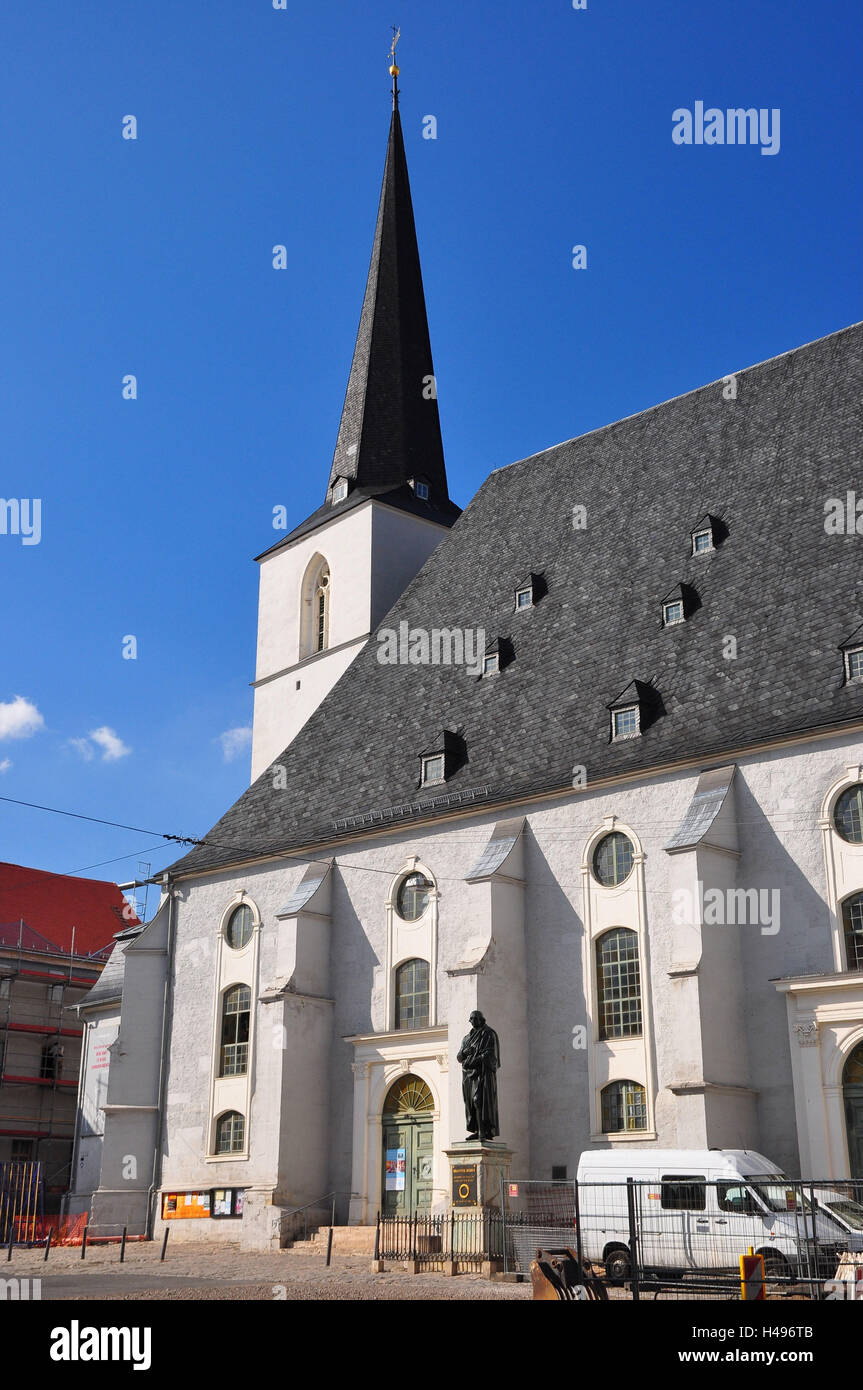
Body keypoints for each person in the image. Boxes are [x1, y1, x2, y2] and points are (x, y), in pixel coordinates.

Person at [457, 1010, 501, 1141]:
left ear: (482, 1020)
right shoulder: (466, 1038)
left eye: (476, 1018)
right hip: (468, 1076)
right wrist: (465, 1051)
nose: (473, 1021)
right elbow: (459, 1057)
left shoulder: (488, 1034)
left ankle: (484, 1131)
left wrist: (473, 1060)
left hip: (482, 1073)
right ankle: (477, 1129)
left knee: (479, 1100)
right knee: (470, 1103)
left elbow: (490, 1054)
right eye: (471, 1019)